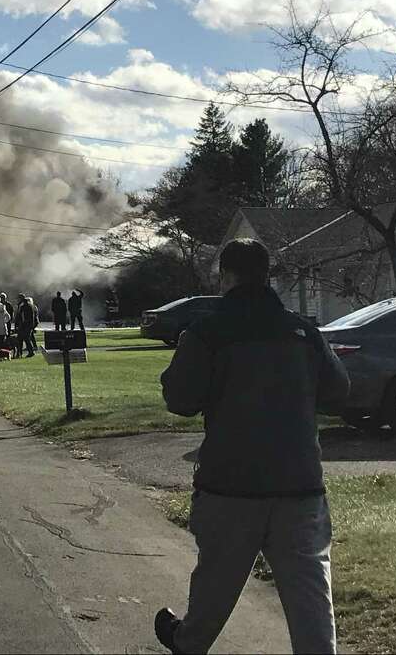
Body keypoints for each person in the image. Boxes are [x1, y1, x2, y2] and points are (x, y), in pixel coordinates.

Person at [155, 238, 350, 655]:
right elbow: (338, 390)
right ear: (267, 276)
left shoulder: (208, 331)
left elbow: (181, 400)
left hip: (230, 484)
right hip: (300, 483)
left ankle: (189, 642)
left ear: (225, 276)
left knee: (217, 581)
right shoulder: (302, 331)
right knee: (310, 590)